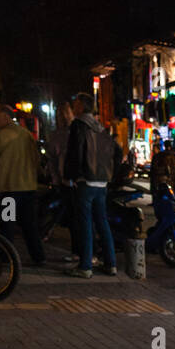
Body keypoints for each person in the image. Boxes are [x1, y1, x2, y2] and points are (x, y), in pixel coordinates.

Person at [0, 103, 44, 265]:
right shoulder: (26, 135)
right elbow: (36, 160)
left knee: (7, 224)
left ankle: (6, 257)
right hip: (27, 188)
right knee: (29, 225)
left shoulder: (2, 136)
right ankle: (38, 256)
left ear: (5, 116)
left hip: (8, 189)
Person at [63, 91, 117, 279]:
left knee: (85, 223)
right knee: (102, 221)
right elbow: (115, 150)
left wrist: (69, 176)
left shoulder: (79, 125)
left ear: (81, 106)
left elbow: (74, 153)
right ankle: (111, 263)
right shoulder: (100, 127)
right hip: (102, 181)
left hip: (85, 179)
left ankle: (85, 266)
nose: (73, 106)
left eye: (76, 103)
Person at [46, 101, 77, 256]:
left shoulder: (63, 134)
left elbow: (52, 159)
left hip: (70, 181)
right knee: (76, 219)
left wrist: (56, 180)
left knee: (75, 219)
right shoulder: (62, 134)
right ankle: (81, 252)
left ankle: (80, 252)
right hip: (73, 181)